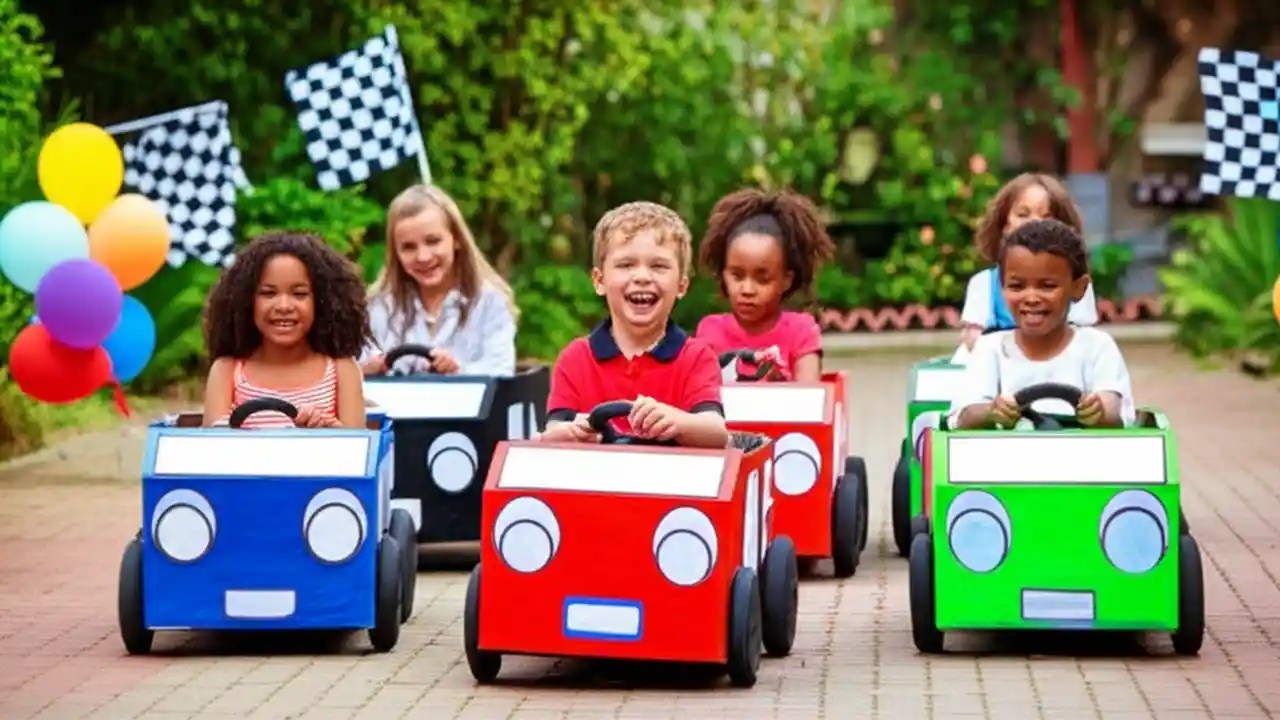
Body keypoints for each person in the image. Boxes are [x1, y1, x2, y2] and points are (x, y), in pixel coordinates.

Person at [538, 201, 729, 448]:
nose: (642, 277)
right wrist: (572, 432)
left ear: (681, 285)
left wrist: (679, 422)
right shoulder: (575, 359)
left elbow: (717, 433)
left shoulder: (696, 357)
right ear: (599, 280)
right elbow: (553, 431)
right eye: (626, 265)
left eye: (658, 266)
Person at [948, 218, 1135, 430]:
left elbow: (1112, 410)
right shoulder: (990, 348)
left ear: (1078, 288)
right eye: (1017, 286)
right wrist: (992, 412)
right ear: (1002, 288)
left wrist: (1097, 411)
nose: (1031, 297)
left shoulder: (1097, 346)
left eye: (1047, 286)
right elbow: (965, 417)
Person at [201, 232, 370, 429]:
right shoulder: (226, 370)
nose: (283, 306)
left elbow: (357, 448)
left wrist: (327, 428)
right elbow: (212, 448)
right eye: (268, 293)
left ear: (323, 302)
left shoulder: (342, 369)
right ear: (246, 301)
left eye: (299, 294)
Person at [360, 184, 518, 377]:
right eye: (409, 247)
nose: (423, 257)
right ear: (396, 253)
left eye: (433, 241)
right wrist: (367, 369)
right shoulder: (380, 307)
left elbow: (501, 370)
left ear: (457, 239)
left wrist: (457, 370)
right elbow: (351, 370)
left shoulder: (489, 301)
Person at [693, 188, 835, 383]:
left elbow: (809, 399)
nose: (747, 289)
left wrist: (779, 388)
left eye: (762, 279)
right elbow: (699, 396)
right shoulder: (710, 330)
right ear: (724, 273)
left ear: (786, 280)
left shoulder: (801, 331)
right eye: (737, 275)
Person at [957, 173, 1098, 356]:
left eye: (1047, 216)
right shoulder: (984, 284)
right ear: (1004, 225)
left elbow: (1082, 338)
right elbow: (973, 340)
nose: (1034, 222)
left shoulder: (1076, 283)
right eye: (1023, 214)